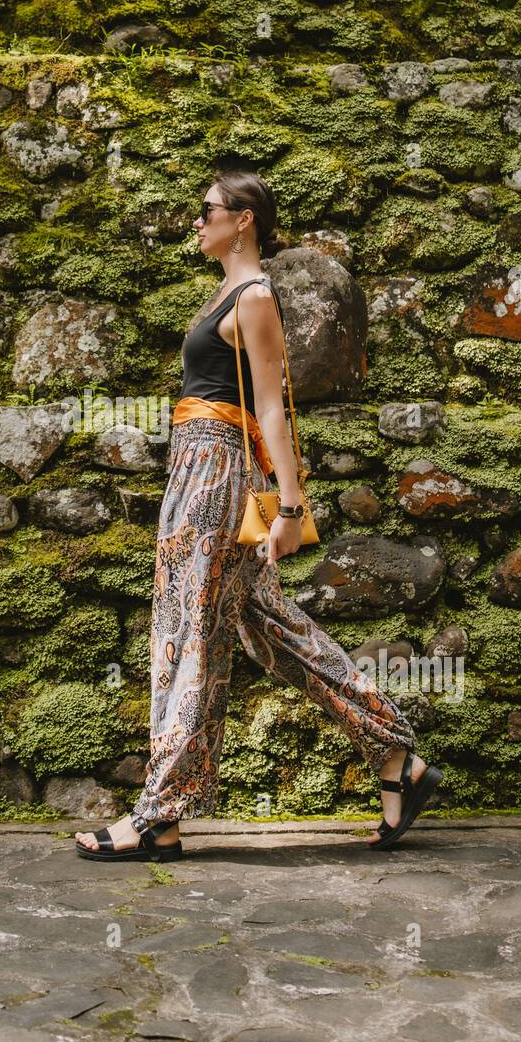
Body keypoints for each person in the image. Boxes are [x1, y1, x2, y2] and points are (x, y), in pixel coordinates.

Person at [75, 173, 443, 863]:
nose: (196, 222)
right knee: (270, 628)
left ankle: (159, 816)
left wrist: (292, 508)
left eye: (206, 211)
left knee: (188, 634)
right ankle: (396, 755)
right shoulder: (223, 293)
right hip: (199, 470)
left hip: (216, 476)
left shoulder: (255, 297)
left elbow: (272, 407)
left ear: (243, 221)